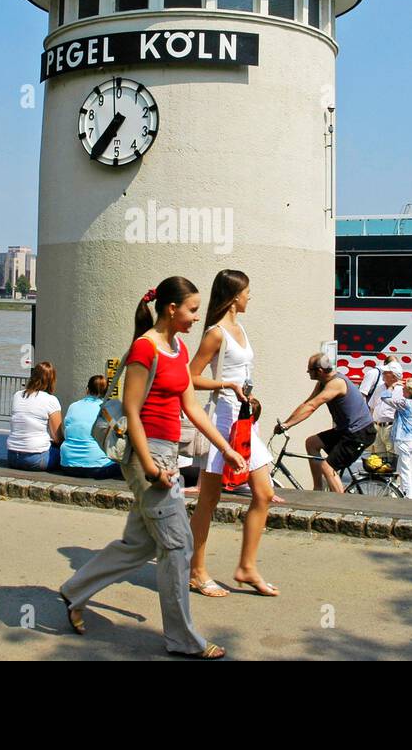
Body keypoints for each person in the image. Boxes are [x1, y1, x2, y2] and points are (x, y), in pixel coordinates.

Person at [59, 277, 246, 659]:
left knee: (140, 543)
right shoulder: (145, 348)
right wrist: (149, 465)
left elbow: (191, 408)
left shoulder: (177, 348)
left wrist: (225, 448)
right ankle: (182, 640)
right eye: (193, 309)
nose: (197, 317)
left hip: (166, 454)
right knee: (178, 545)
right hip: (149, 458)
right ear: (171, 308)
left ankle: (74, 590)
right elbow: (131, 410)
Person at [188, 269, 278, 598]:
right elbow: (191, 378)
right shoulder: (215, 333)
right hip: (223, 418)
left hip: (243, 419)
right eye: (247, 292)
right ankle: (197, 571)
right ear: (234, 296)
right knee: (209, 500)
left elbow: (242, 372)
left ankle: (246, 566)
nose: (250, 297)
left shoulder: (240, 329)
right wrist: (226, 384)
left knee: (264, 493)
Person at [277, 353, 377, 493]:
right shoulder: (322, 382)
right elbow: (307, 403)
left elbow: (313, 406)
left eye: (309, 370)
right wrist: (286, 422)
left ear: (319, 371)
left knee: (327, 467)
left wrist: (287, 425)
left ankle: (339, 508)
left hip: (360, 433)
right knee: (312, 443)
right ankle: (318, 489)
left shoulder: (336, 383)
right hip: (346, 430)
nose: (308, 373)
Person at [58, 375, 123, 480]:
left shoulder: (73, 406)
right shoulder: (106, 409)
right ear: (107, 393)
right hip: (98, 467)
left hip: (67, 465)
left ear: (87, 389)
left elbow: (67, 431)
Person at [7, 361, 63, 471]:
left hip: (12, 457)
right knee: (65, 454)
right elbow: (57, 438)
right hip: (36, 459)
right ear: (51, 380)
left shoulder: (17, 395)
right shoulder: (51, 400)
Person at [391, 379, 412, 499]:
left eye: (404, 389)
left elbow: (385, 398)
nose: (402, 391)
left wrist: (392, 387)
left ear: (409, 392)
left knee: (404, 470)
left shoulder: (404, 403)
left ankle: (407, 496)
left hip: (403, 440)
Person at [367, 362, 404, 456]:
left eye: (386, 372)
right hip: (377, 426)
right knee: (379, 456)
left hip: (391, 426)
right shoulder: (380, 387)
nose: (383, 374)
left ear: (394, 376)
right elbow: (372, 406)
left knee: (392, 455)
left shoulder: (401, 390)